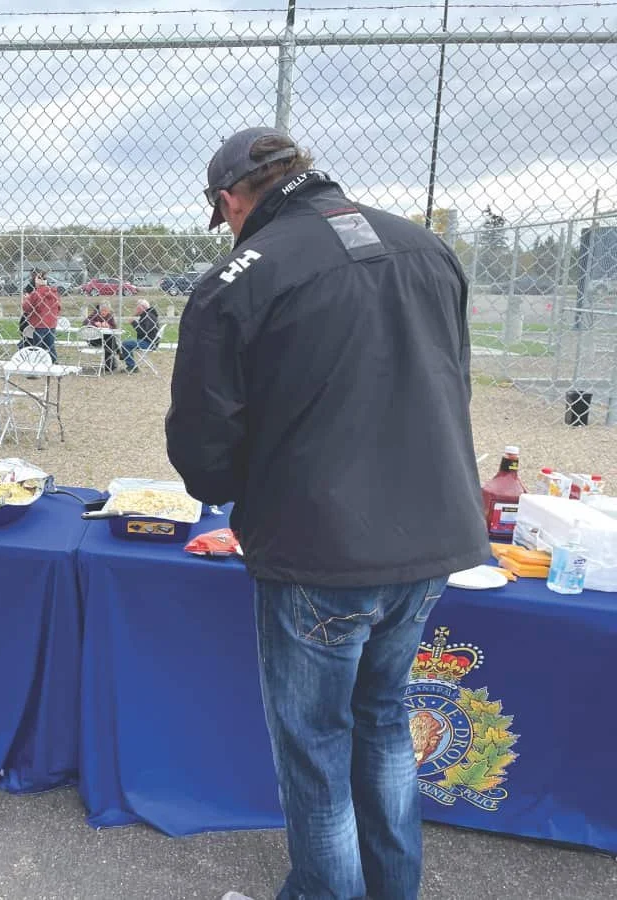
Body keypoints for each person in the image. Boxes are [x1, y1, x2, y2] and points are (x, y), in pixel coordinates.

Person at [165, 127, 488, 900]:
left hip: (320, 551)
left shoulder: (237, 277)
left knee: (315, 747)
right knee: (382, 721)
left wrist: (248, 497)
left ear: (231, 199)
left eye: (227, 213)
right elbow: (454, 385)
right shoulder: (426, 247)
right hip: (431, 540)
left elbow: (202, 449)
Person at [21, 270, 60, 362]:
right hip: (51, 324)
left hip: (39, 324)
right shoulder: (54, 293)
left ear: (37, 282)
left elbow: (27, 308)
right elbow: (58, 308)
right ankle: (53, 361)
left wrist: (26, 299)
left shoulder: (36, 294)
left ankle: (38, 361)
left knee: (38, 346)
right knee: (50, 345)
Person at [121, 299, 159, 372]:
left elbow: (143, 331)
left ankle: (132, 367)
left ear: (141, 308)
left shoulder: (148, 316)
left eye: (137, 308)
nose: (136, 310)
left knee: (125, 344)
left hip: (148, 343)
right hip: (148, 341)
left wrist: (134, 323)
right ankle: (123, 355)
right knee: (128, 342)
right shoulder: (147, 315)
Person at [83, 302, 119, 372]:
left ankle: (109, 365)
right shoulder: (95, 314)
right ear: (99, 310)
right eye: (102, 310)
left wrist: (109, 326)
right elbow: (85, 322)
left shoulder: (110, 316)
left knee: (110, 340)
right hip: (93, 340)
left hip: (105, 339)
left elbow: (114, 327)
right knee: (110, 341)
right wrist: (95, 323)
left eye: (106, 310)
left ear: (109, 311)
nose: (104, 312)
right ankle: (118, 351)